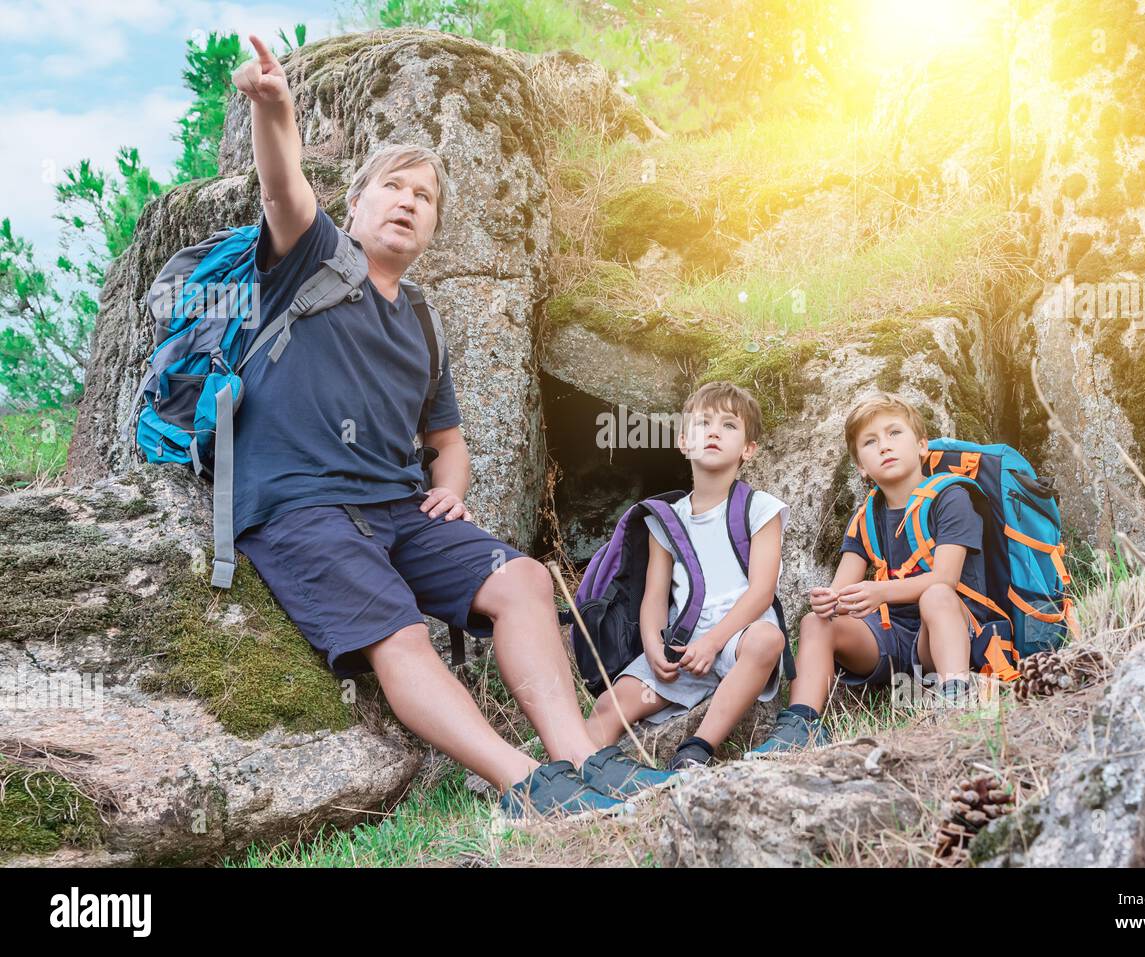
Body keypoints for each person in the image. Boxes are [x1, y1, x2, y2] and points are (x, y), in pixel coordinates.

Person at [228, 34, 671, 818]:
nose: (406, 201)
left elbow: (448, 439)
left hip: (399, 511)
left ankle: (584, 761)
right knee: (402, 633)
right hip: (302, 508)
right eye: (392, 188)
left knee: (526, 579)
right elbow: (281, 190)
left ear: (433, 227)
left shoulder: (425, 321)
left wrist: (452, 490)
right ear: (355, 205)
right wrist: (274, 108)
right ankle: (526, 783)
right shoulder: (313, 260)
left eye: (423, 197)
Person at [750, 392, 996, 755]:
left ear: (922, 446)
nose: (885, 446)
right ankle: (800, 725)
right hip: (887, 639)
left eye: (895, 433)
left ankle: (954, 699)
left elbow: (945, 578)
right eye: (870, 442)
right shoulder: (866, 516)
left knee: (937, 595)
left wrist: (879, 592)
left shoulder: (951, 498)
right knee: (816, 623)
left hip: (943, 636)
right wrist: (829, 601)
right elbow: (843, 589)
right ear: (861, 466)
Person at [584, 382, 789, 770]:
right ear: (683, 441)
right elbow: (655, 597)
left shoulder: (761, 509)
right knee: (611, 703)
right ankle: (585, 770)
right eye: (703, 423)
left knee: (767, 639)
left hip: (737, 636)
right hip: (682, 645)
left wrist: (713, 643)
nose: (714, 432)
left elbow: (762, 591)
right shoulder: (667, 519)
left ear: (748, 449)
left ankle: (696, 749)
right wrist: (652, 648)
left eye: (729, 425)